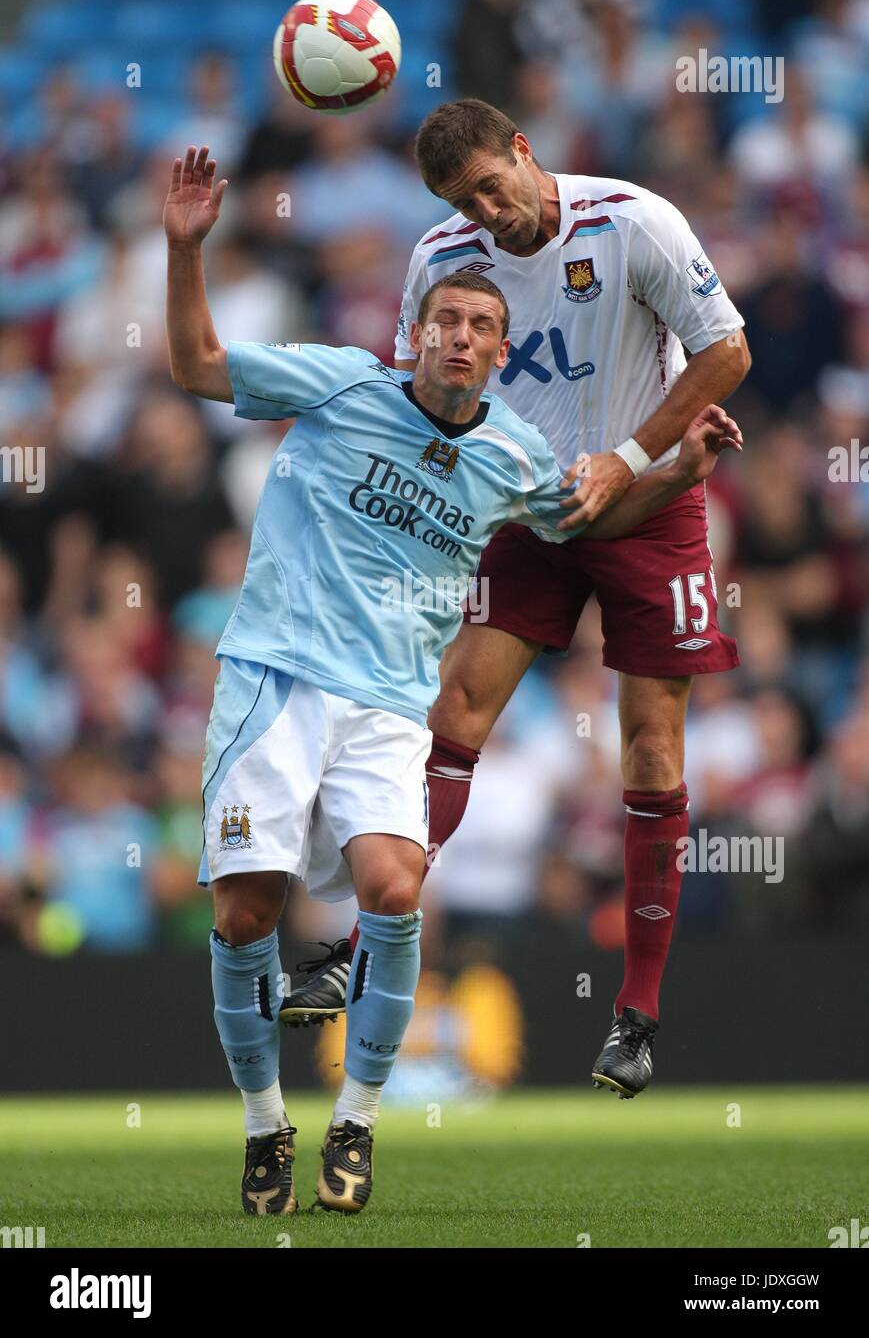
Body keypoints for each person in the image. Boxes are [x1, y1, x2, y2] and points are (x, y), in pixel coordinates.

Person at [164, 145, 740, 1216]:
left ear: (500, 350)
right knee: (245, 917)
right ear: (416, 330)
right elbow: (196, 366)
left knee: (394, 890)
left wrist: (677, 471)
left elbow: (591, 520)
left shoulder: (516, 454)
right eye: (445, 323)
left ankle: (356, 1127)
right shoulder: (341, 380)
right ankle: (261, 1127)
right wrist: (184, 248)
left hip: (385, 701)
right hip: (276, 681)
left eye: (481, 328)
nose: (461, 339)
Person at [282, 99, 751, 1102]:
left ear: (525, 151)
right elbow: (421, 397)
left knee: (650, 751)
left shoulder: (634, 222)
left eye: (492, 184)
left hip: (649, 506)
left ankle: (634, 1012)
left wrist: (628, 462)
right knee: (452, 714)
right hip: (524, 512)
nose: (485, 211)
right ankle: (359, 947)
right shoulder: (440, 259)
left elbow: (726, 352)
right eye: (463, 200)